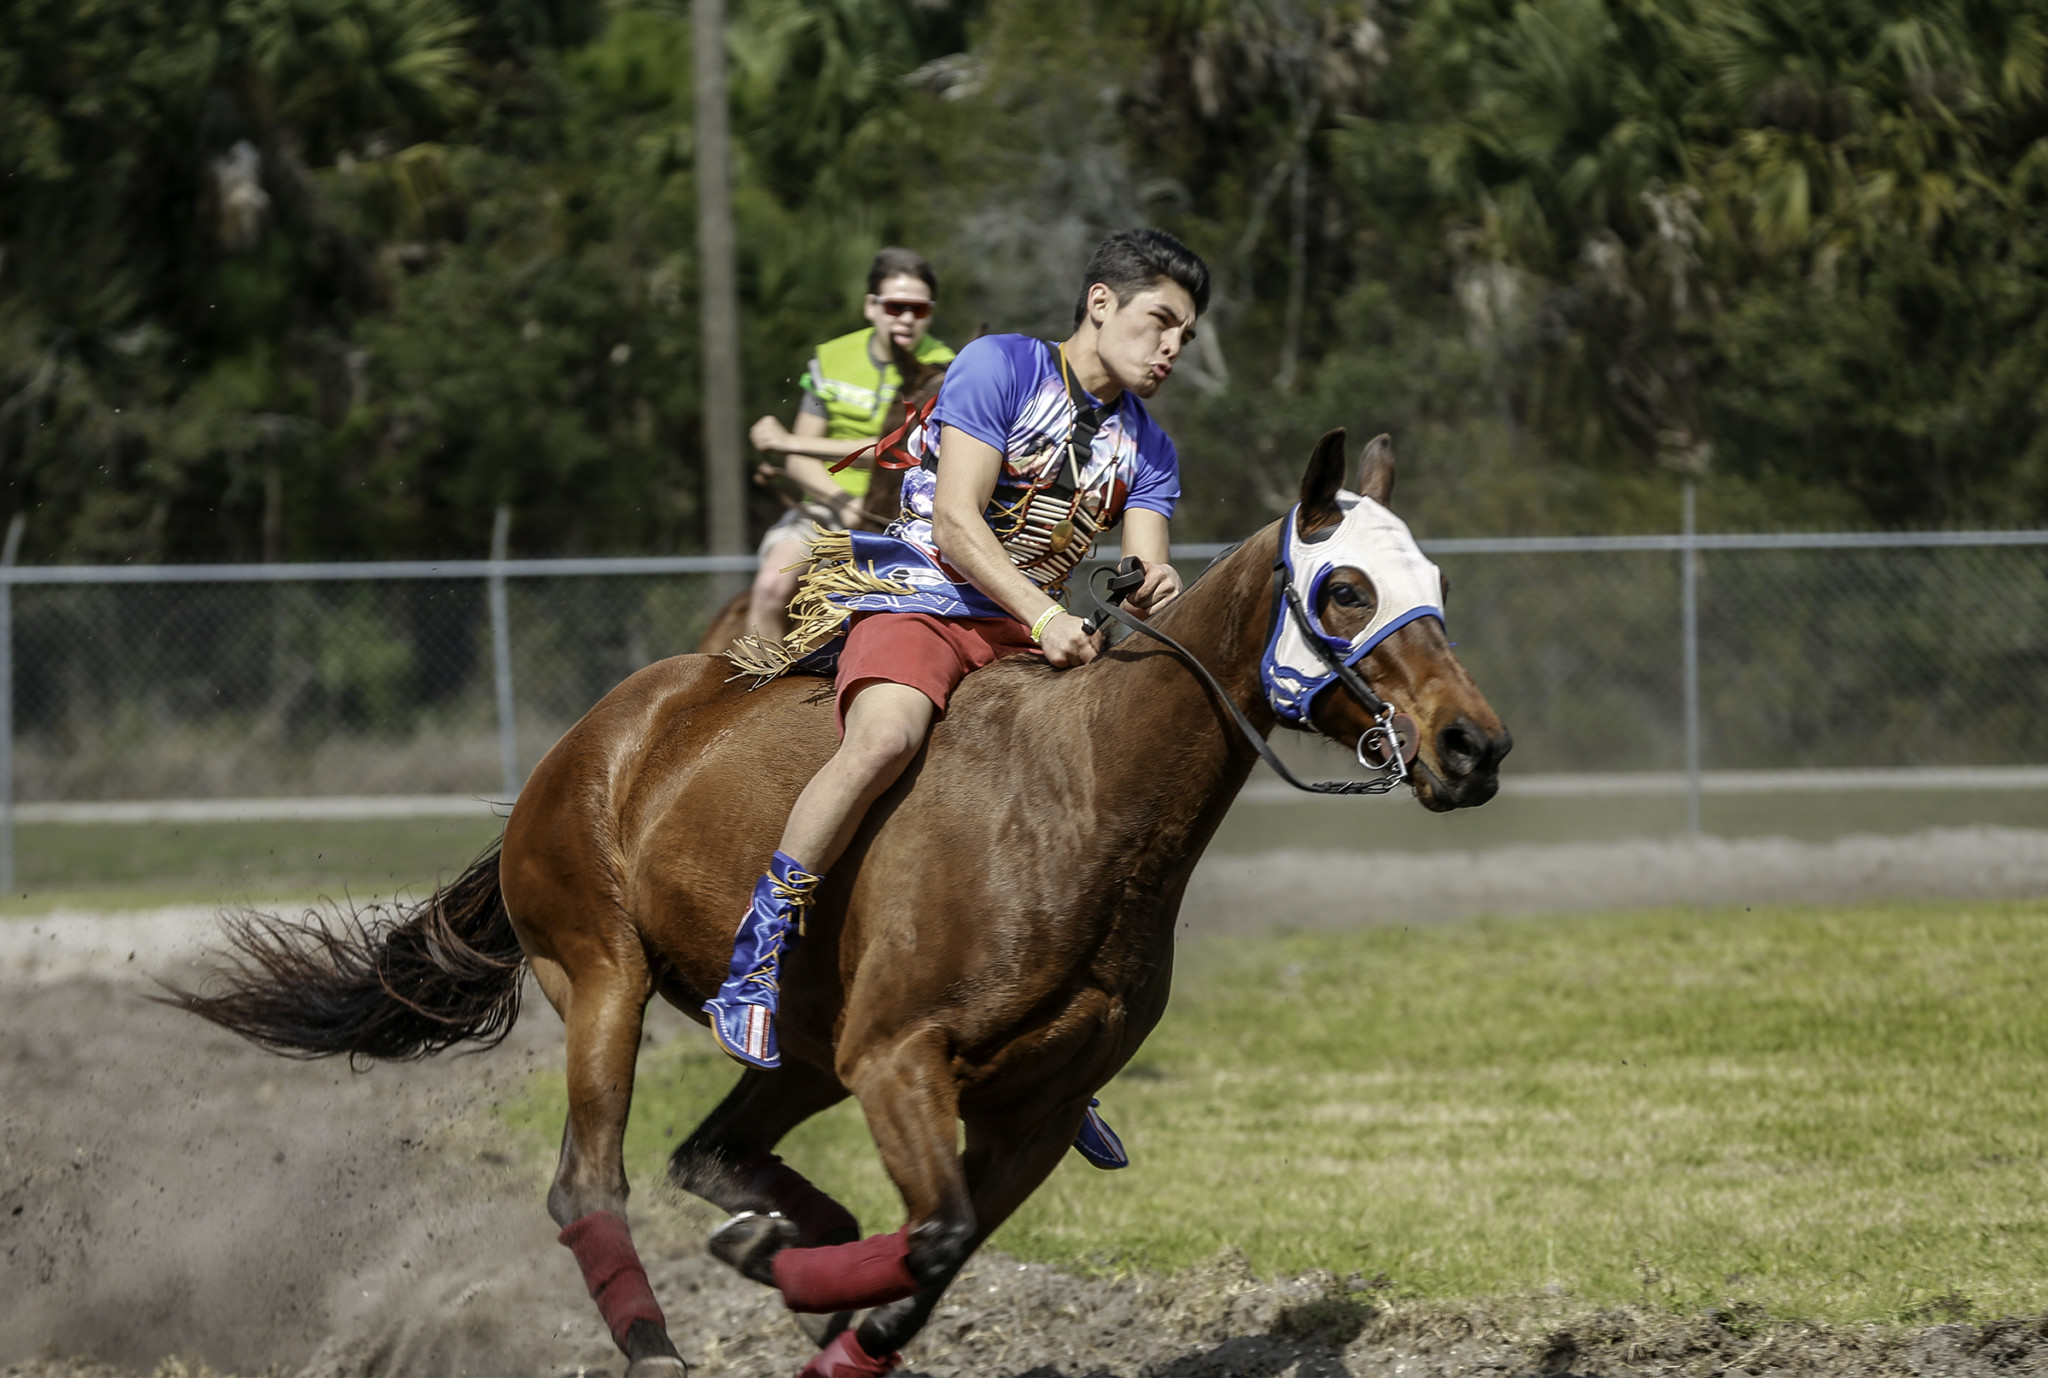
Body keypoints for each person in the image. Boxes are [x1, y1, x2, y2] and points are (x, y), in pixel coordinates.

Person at [707, 230, 1211, 1130]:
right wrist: (1048, 617)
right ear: (1101, 303)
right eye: (1160, 322)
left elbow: (1144, 561)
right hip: (922, 604)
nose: (1172, 347)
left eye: (1186, 336)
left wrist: (1154, 582)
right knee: (886, 739)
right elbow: (954, 524)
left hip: (1027, 641)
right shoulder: (1001, 366)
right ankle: (758, 954)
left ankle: (1052, 1057)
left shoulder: (1152, 449)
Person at [745, 247, 957, 641]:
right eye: (895, 307)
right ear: (870, 307)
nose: (907, 319)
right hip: (827, 509)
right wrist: (845, 504)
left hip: (915, 519)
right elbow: (798, 461)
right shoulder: (833, 359)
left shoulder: (948, 368)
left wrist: (789, 441)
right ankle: (758, 684)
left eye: (919, 309)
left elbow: (903, 452)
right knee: (771, 590)